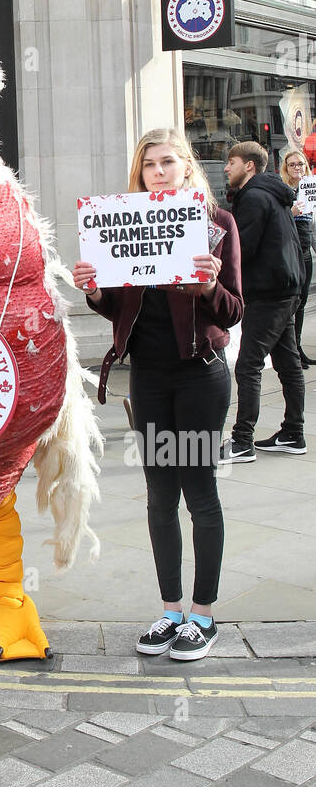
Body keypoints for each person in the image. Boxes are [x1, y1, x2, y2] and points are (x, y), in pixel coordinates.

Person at [73, 126, 243, 662]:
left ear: (187, 166)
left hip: (199, 375)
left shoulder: (217, 224)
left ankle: (203, 615)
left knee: (199, 491)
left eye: (168, 162)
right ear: (140, 173)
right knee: (158, 495)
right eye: (150, 165)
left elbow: (235, 309)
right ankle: (171, 611)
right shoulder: (123, 223)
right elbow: (123, 306)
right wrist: (97, 290)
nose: (159, 172)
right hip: (147, 376)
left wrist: (208, 288)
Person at [223, 141, 306, 461]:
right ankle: (294, 433)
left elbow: (241, 248)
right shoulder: (271, 193)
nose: (227, 168)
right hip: (285, 288)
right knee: (287, 364)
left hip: (270, 292)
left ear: (250, 166)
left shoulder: (255, 197)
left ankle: (242, 440)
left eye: (232, 162)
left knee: (248, 365)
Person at [280, 150, 313, 368]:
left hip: (307, 248)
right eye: (292, 165)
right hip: (291, 249)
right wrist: (290, 212)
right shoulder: (282, 190)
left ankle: (298, 347)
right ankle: (291, 349)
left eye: (300, 164)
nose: (296, 168)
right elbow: (275, 222)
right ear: (285, 168)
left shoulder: (309, 188)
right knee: (293, 301)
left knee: (302, 300)